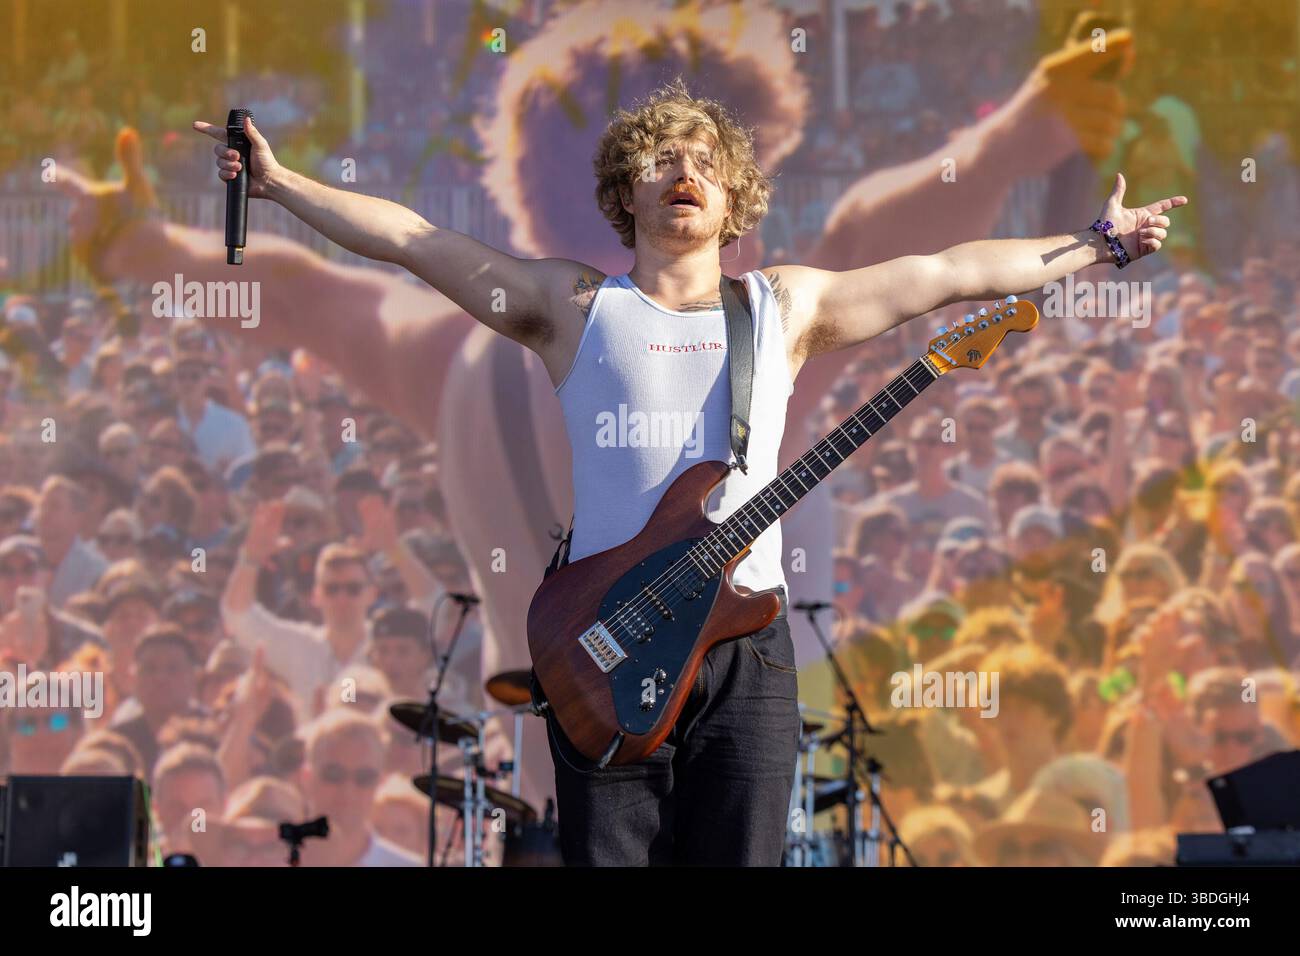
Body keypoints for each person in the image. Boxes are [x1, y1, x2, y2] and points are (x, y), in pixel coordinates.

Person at [194, 77, 1185, 866]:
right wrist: (282, 186)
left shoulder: (783, 306)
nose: (683, 171)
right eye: (660, 158)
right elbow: (416, 241)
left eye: (705, 161)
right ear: (623, 192)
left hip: (744, 647)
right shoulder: (571, 306)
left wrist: (1090, 246)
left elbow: (948, 273)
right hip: (601, 638)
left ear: (733, 197)